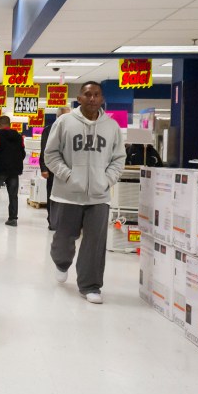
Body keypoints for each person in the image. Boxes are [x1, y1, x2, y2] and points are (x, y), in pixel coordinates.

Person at [42, 82, 125, 304]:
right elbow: (51, 154)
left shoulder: (111, 127)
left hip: (99, 196)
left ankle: (90, 285)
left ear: (102, 98)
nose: (92, 98)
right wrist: (68, 176)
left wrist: (107, 180)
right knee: (64, 238)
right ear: (79, 98)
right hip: (67, 194)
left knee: (95, 242)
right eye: (88, 94)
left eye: (97, 95)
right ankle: (61, 263)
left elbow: (119, 158)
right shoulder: (64, 122)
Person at [39, 106, 71, 230]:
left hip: (70, 169)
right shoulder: (49, 130)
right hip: (53, 168)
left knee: (68, 196)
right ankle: (52, 221)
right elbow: (44, 149)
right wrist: (43, 167)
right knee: (52, 195)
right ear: (58, 117)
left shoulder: (74, 129)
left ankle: (66, 222)